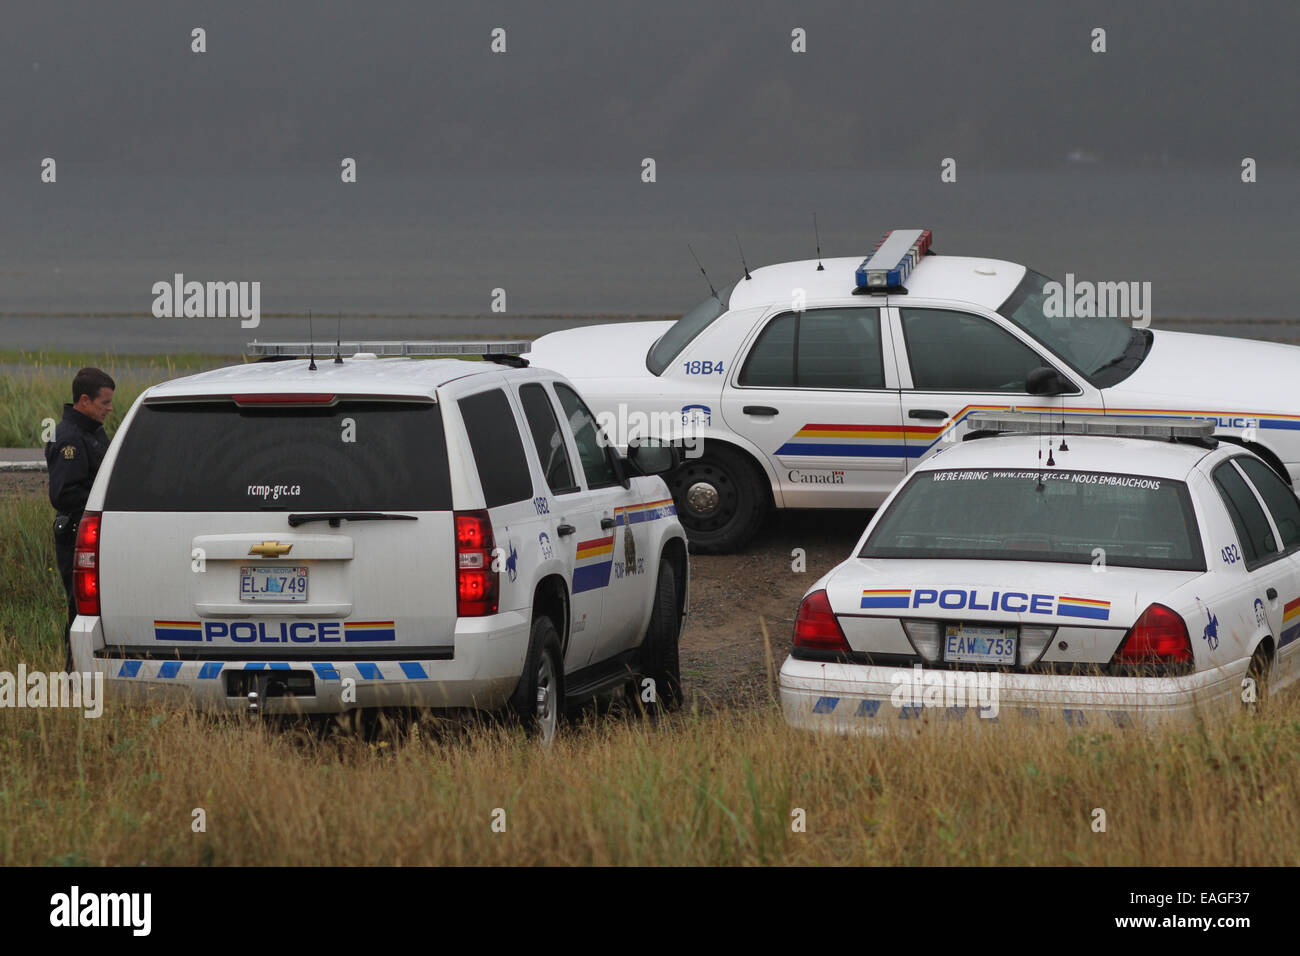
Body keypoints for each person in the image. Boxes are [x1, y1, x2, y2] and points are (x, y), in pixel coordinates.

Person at [46, 367, 115, 671]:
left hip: (96, 534)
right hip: (76, 535)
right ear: (84, 401)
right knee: (81, 611)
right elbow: (63, 494)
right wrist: (105, 502)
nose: (110, 409)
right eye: (105, 403)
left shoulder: (93, 431)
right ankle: (74, 675)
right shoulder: (69, 438)